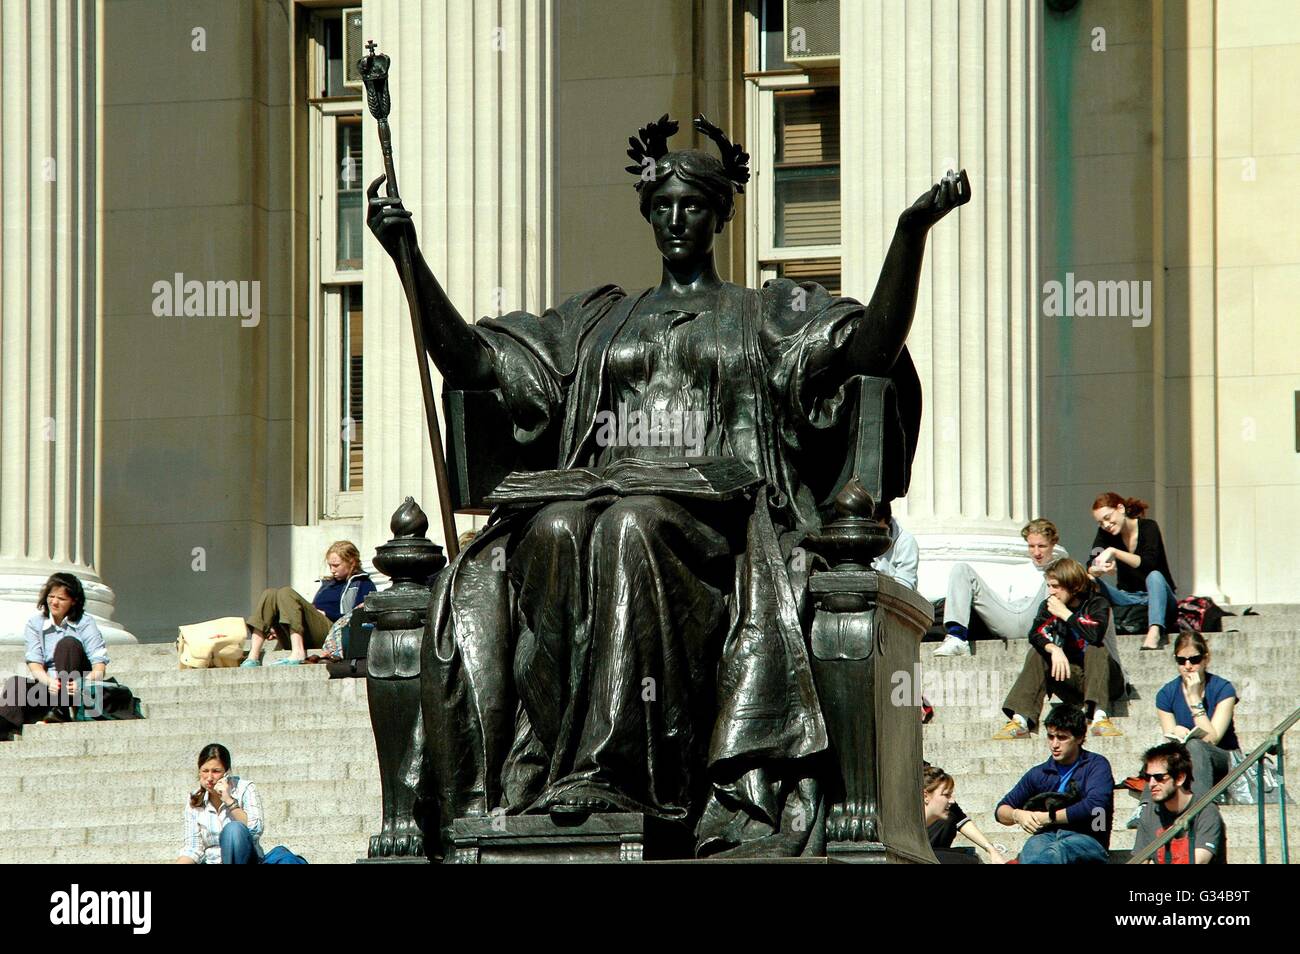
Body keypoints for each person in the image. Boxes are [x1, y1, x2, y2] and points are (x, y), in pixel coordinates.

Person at [367, 111, 969, 855]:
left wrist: (910, 234)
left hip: (723, 524)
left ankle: (621, 774)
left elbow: (870, 347)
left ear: (720, 216)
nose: (676, 219)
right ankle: (546, 772)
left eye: (692, 206)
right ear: (648, 214)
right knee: (553, 528)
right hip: (597, 506)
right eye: (663, 206)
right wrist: (410, 259)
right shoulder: (597, 322)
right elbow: (474, 361)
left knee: (633, 523)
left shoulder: (765, 313)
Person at [994, 558, 1126, 739]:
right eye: (1049, 586)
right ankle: (1021, 721)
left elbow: (1094, 634)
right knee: (1039, 651)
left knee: (1096, 647)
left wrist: (1065, 613)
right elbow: (1035, 634)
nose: (1051, 592)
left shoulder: (1097, 603)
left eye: (1056, 586)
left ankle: (1099, 718)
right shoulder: (1049, 605)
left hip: (1108, 679)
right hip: (1072, 679)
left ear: (1074, 585)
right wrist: (1054, 649)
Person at [995, 704, 1114, 864]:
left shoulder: (1096, 765)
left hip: (1089, 839)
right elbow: (1001, 810)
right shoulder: (1039, 773)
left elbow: (1096, 805)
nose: (1054, 744)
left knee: (1057, 851)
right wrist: (1017, 815)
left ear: (1079, 738)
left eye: (1062, 738)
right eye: (1050, 737)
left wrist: (1049, 817)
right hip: (1046, 838)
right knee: (1032, 849)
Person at [0, 573, 109, 740]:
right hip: (50, 686)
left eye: (61, 598)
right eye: (51, 597)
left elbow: (99, 666)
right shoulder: (35, 623)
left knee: (68, 644)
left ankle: (61, 709)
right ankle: (3, 727)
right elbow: (34, 663)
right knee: (16, 683)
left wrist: (82, 683)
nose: (54, 602)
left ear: (73, 601)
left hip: (77, 688)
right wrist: (49, 682)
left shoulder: (85, 623)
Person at [934, 518, 1061, 657]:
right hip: (1008, 615)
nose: (1036, 552)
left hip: (1037, 617)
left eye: (1042, 546)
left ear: (1053, 543)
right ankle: (957, 637)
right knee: (961, 569)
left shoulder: (1059, 569)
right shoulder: (1017, 569)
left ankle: (1052, 636)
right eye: (1031, 546)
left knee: (1058, 573)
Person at [242, 541, 375, 667]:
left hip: (334, 633)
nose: (332, 570)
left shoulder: (363, 584)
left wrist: (327, 614)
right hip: (309, 632)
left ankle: (298, 652)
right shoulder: (327, 584)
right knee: (270, 594)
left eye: (336, 565)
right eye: (330, 565)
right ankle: (253, 656)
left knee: (286, 592)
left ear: (351, 562)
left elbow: (360, 617)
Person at [1088, 492, 1177, 651]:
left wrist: (1114, 552)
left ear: (1120, 508)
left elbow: (1148, 563)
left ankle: (1154, 631)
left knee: (1155, 576)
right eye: (1101, 522)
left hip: (1158, 597)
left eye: (1108, 518)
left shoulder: (1149, 527)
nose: (1106, 525)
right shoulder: (1105, 534)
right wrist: (1098, 568)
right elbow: (1092, 561)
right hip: (1128, 598)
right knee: (1089, 579)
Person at [1155, 632, 1238, 799]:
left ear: (1205, 659)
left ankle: (1199, 805)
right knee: (1157, 761)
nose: (1188, 666)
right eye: (1181, 660)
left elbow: (1212, 739)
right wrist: (1176, 732)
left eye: (1194, 659)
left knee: (1196, 746)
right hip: (1185, 760)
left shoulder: (1223, 689)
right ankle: (1145, 808)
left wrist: (1194, 697)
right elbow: (1170, 737)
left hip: (1224, 760)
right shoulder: (1166, 694)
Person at [1131, 741, 1225, 864]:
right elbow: (1141, 860)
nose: (1152, 784)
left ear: (1180, 778)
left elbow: (1199, 861)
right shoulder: (1149, 812)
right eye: (1148, 778)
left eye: (1159, 777)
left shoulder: (1205, 811)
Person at [176, 743, 264, 864]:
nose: (209, 778)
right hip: (211, 861)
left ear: (226, 773)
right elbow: (193, 848)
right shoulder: (194, 799)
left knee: (234, 829)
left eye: (216, 771)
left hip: (244, 858)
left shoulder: (245, 789)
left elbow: (255, 829)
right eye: (205, 771)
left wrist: (229, 801)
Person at [923, 763, 1006, 864]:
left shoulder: (949, 810)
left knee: (969, 857)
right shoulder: (906, 825)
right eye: (946, 795)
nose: (952, 801)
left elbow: (962, 820)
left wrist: (991, 849)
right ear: (925, 796)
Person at [871, 500, 919, 589]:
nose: (873, 535)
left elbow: (905, 585)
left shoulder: (905, 542)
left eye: (877, 530)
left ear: (887, 522)